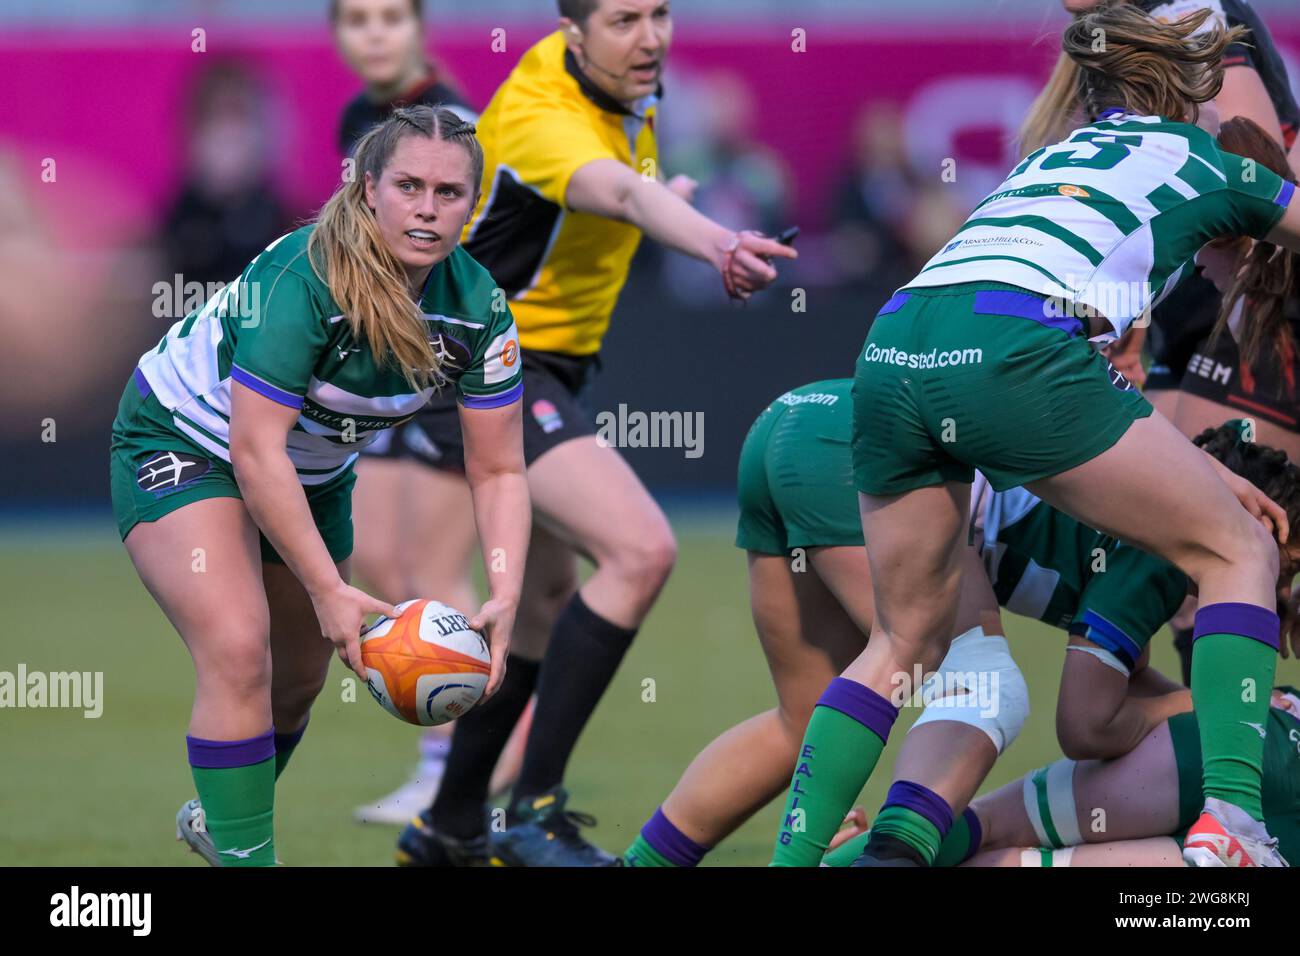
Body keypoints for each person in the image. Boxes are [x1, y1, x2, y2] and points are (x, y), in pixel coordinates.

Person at [770, 3, 1300, 869]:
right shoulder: (1208, 162)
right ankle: (1236, 829)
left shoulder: (1056, 157)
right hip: (1017, 350)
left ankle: (795, 863)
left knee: (900, 644)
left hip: (896, 338)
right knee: (1239, 552)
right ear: (1190, 93)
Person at [395, 0, 796, 868]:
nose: (649, 36)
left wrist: (672, 204)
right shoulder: (545, 106)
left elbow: (627, 195)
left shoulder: (627, 90)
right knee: (640, 550)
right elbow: (615, 190)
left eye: (659, 13)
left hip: (541, 368)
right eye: (623, 19)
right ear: (576, 34)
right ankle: (530, 813)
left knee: (539, 607)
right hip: (486, 365)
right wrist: (716, 241)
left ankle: (451, 827)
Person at [111, 106, 529, 866]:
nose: (428, 208)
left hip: (312, 473)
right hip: (184, 441)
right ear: (369, 189)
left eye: (449, 192)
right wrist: (329, 590)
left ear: (474, 203)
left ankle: (224, 820)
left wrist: (503, 592)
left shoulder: (481, 310)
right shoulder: (302, 278)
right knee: (241, 648)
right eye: (408, 185)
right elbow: (254, 451)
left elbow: (498, 468)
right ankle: (248, 854)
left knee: (300, 680)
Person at [622, 379, 1203, 867]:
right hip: (855, 456)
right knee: (981, 686)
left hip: (796, 420)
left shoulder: (1156, 556)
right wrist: (1232, 717)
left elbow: (1128, 697)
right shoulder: (1164, 562)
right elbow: (1087, 723)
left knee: (801, 724)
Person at [1030, 2, 1300, 687]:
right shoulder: (1121, 37)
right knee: (1202, 568)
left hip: (1250, 320)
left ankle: (1245, 769)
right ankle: (1226, 765)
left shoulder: (1191, 12)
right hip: (1207, 321)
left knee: (1238, 551)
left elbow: (1248, 166)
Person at [331, 0, 512, 828]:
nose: (374, 35)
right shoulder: (358, 119)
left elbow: (485, 242)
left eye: (390, 18)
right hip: (382, 353)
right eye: (356, 19)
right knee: (375, 554)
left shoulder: (453, 123)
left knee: (433, 567)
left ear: (419, 30)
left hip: (448, 356)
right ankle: (474, 746)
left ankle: (452, 773)